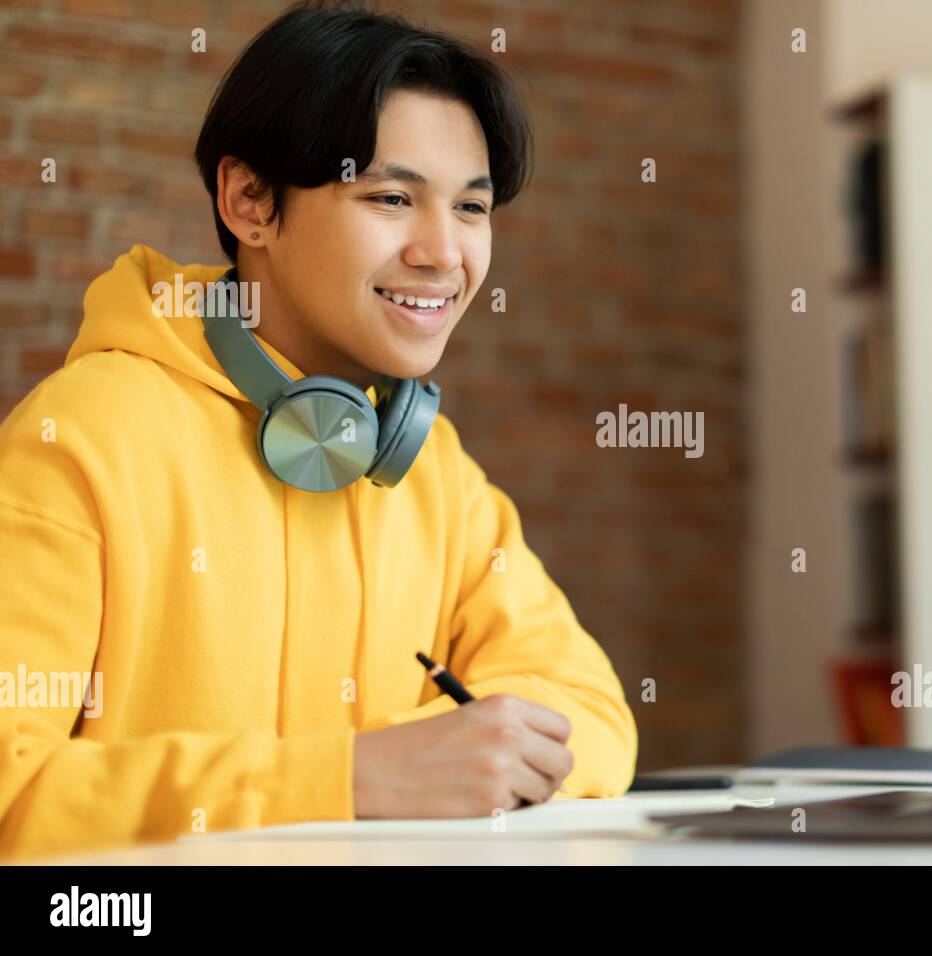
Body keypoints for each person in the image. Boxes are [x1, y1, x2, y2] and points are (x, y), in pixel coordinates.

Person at [0, 1, 637, 861]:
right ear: (250, 200)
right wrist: (353, 777)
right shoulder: (79, 440)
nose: (444, 253)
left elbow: (591, 708)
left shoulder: (428, 467)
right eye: (390, 197)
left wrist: (473, 753)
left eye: (471, 209)